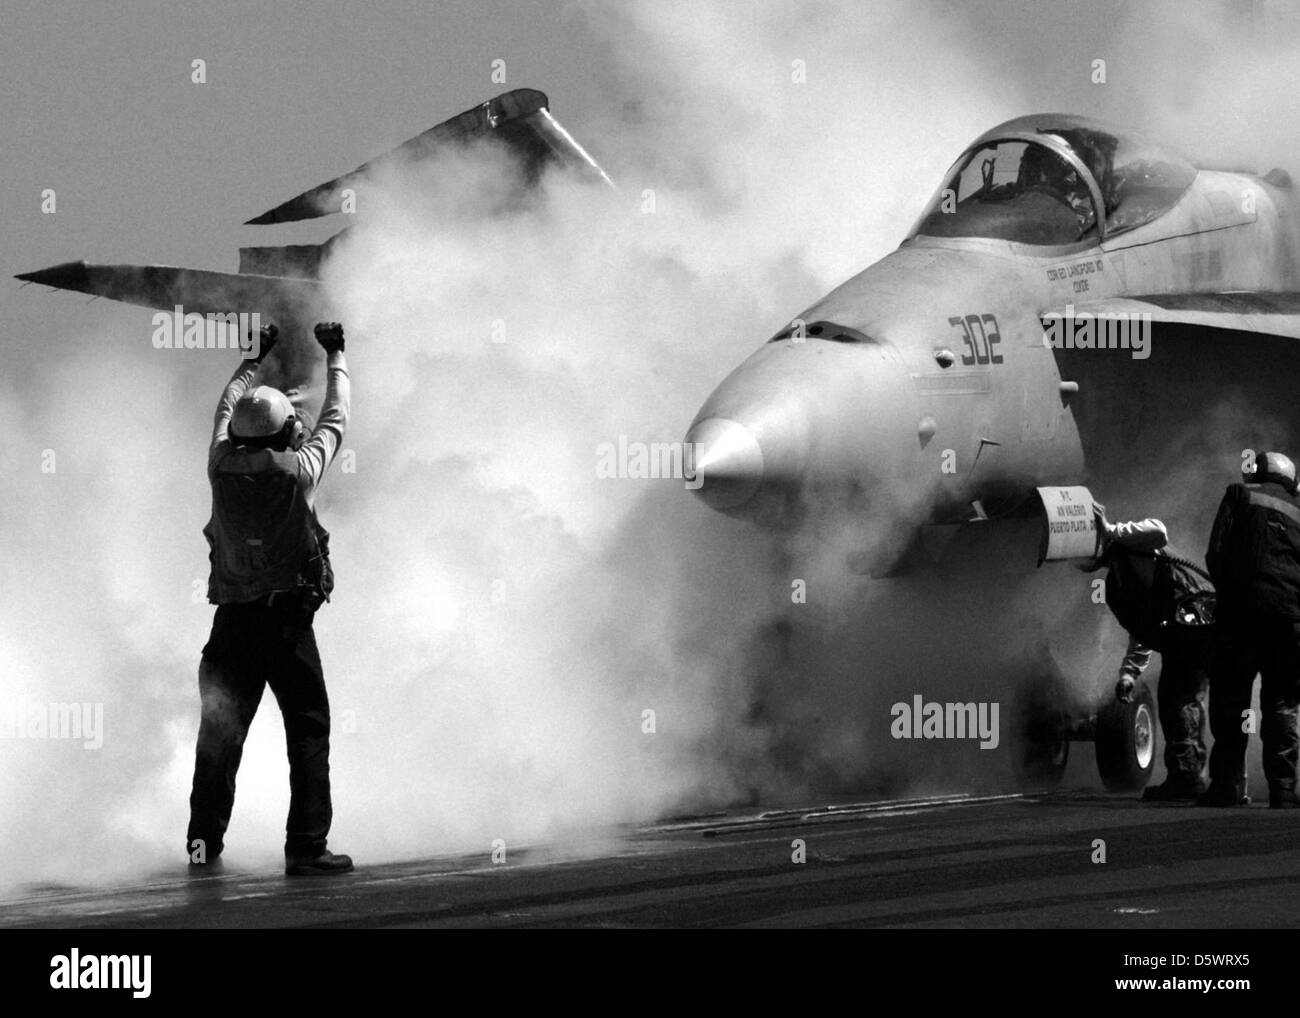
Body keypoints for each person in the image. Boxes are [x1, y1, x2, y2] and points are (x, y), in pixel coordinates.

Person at [186, 321, 355, 874]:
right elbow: (336, 419)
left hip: (231, 624)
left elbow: (224, 407)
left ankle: (202, 847)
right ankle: (306, 848)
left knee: (219, 735)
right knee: (307, 729)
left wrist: (252, 358)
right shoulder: (298, 471)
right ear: (285, 433)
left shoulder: (219, 467)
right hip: (284, 625)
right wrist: (335, 356)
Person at [1085, 510, 1215, 800]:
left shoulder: (1136, 546)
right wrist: (1129, 673)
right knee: (1176, 698)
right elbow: (1143, 630)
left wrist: (1112, 529)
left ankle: (1193, 779)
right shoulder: (1116, 586)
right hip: (1182, 633)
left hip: (1200, 621)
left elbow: (1159, 530)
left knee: (1182, 698)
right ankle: (1191, 776)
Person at [1203, 451, 1300, 809]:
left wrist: (1230, 597)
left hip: (1241, 617)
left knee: (1231, 702)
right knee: (1282, 704)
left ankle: (1227, 786)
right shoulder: (1299, 510)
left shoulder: (1239, 495)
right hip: (1289, 622)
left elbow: (1216, 553)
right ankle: (1284, 789)